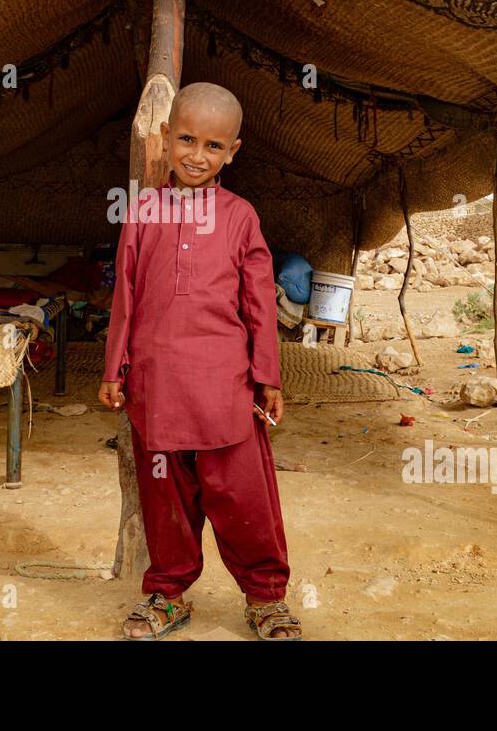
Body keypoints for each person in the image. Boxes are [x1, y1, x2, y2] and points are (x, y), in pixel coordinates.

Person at [99, 81, 301, 641]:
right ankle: (166, 595)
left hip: (225, 390)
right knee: (165, 499)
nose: (196, 155)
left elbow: (260, 304)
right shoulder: (143, 211)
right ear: (165, 138)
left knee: (244, 498)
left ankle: (265, 598)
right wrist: (114, 367)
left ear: (233, 151)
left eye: (213, 146)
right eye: (186, 139)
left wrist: (267, 378)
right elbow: (127, 294)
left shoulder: (240, 217)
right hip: (157, 388)